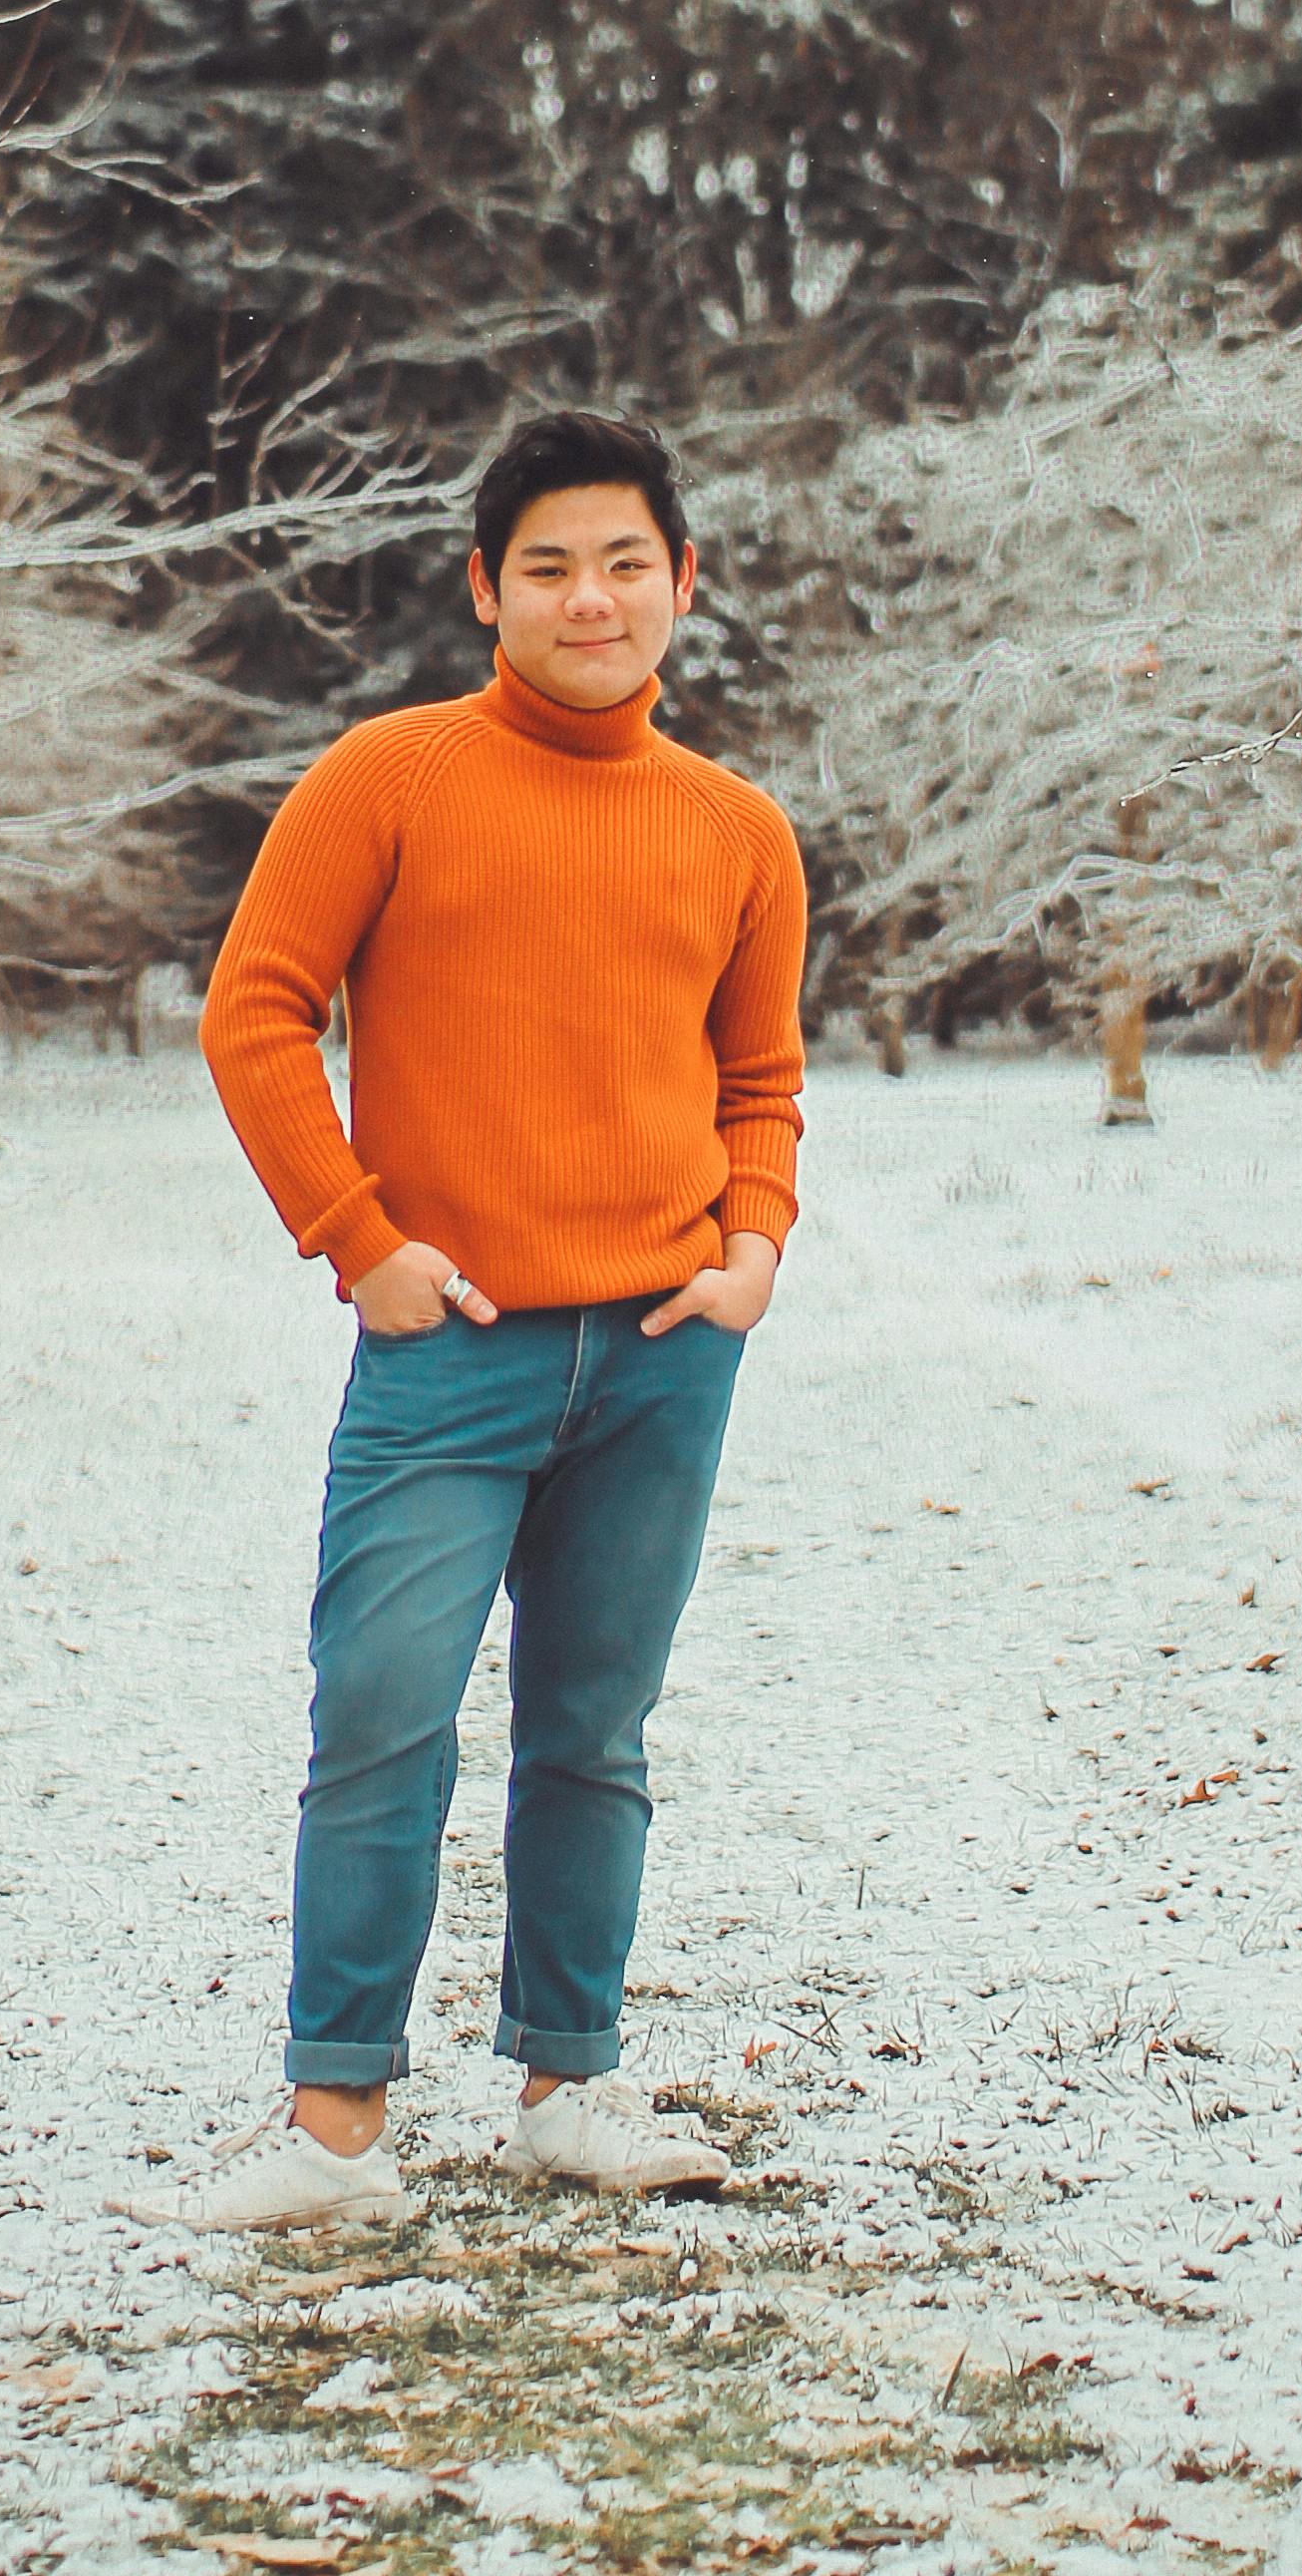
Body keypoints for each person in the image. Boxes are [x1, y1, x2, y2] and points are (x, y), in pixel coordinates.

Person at [113, 411, 808, 2230]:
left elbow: (762, 1079)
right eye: (551, 566)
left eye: (627, 563)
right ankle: (335, 2131)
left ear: (682, 583)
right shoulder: (390, 778)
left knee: (593, 1728)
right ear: (487, 589)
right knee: (381, 1711)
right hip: (450, 1351)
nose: (593, 598)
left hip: (661, 1355)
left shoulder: (738, 829)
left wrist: (752, 1250)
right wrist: (361, 1242)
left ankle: (570, 2087)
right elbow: (255, 1011)